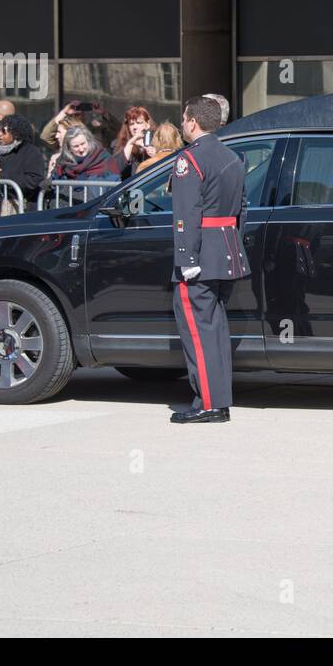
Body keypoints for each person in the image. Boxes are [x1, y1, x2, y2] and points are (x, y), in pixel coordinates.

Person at [169, 96, 250, 423]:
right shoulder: (231, 156)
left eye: (184, 118)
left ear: (192, 121)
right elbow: (241, 209)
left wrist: (186, 256)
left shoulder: (190, 159)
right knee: (215, 329)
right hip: (226, 251)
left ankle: (208, 403)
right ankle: (218, 399)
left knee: (199, 333)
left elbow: (187, 214)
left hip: (200, 255)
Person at [0, 114, 47, 207]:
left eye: (4, 131)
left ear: (16, 133)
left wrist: (2, 177)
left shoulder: (31, 151)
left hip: (22, 208)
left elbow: (34, 179)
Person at [47, 124, 119, 182]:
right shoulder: (63, 161)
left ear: (88, 141)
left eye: (83, 144)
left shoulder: (102, 157)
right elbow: (55, 176)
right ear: (69, 148)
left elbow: (114, 179)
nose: (81, 149)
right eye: (76, 146)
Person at [113, 106, 156, 178]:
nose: (135, 127)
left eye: (139, 123)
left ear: (147, 124)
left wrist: (155, 156)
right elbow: (116, 169)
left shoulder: (155, 142)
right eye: (131, 124)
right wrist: (130, 143)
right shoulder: (121, 144)